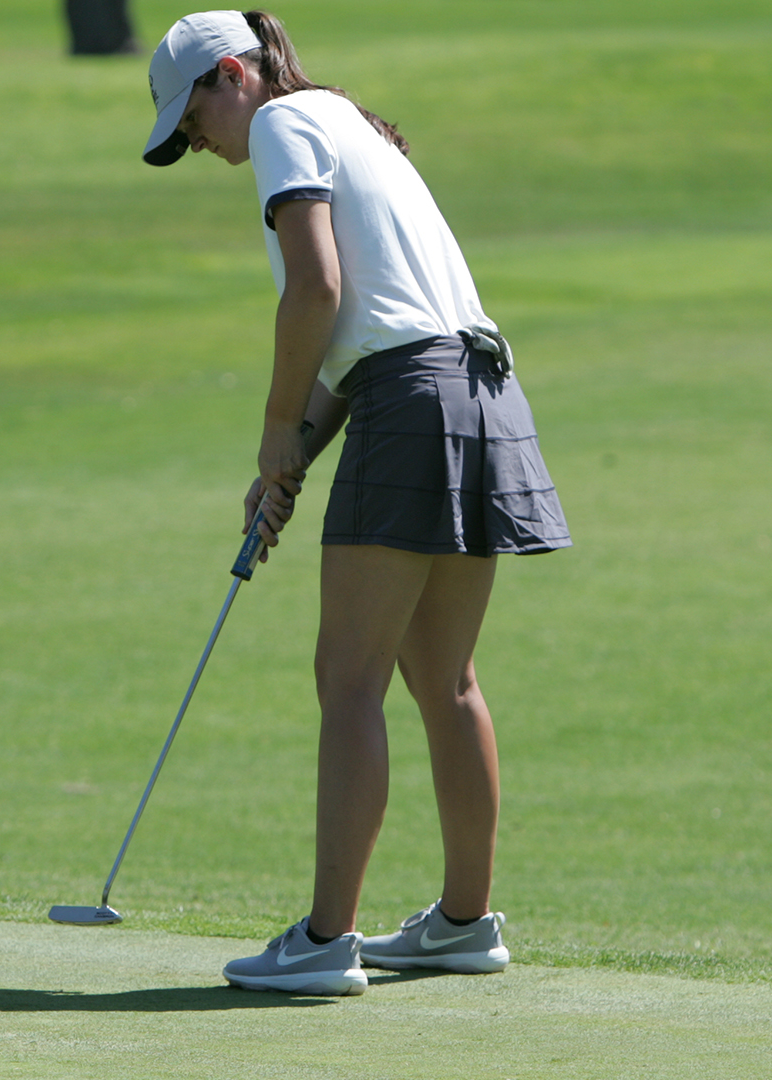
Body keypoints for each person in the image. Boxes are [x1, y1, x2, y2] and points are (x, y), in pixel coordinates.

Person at [140, 10, 570, 996]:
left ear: (233, 75)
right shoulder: (351, 125)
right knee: (445, 677)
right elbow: (375, 329)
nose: (197, 144)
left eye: (193, 118)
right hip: (485, 393)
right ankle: (465, 925)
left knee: (349, 679)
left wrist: (273, 424)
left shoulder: (287, 126)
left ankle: (328, 941)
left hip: (415, 398)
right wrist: (292, 459)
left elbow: (317, 292)